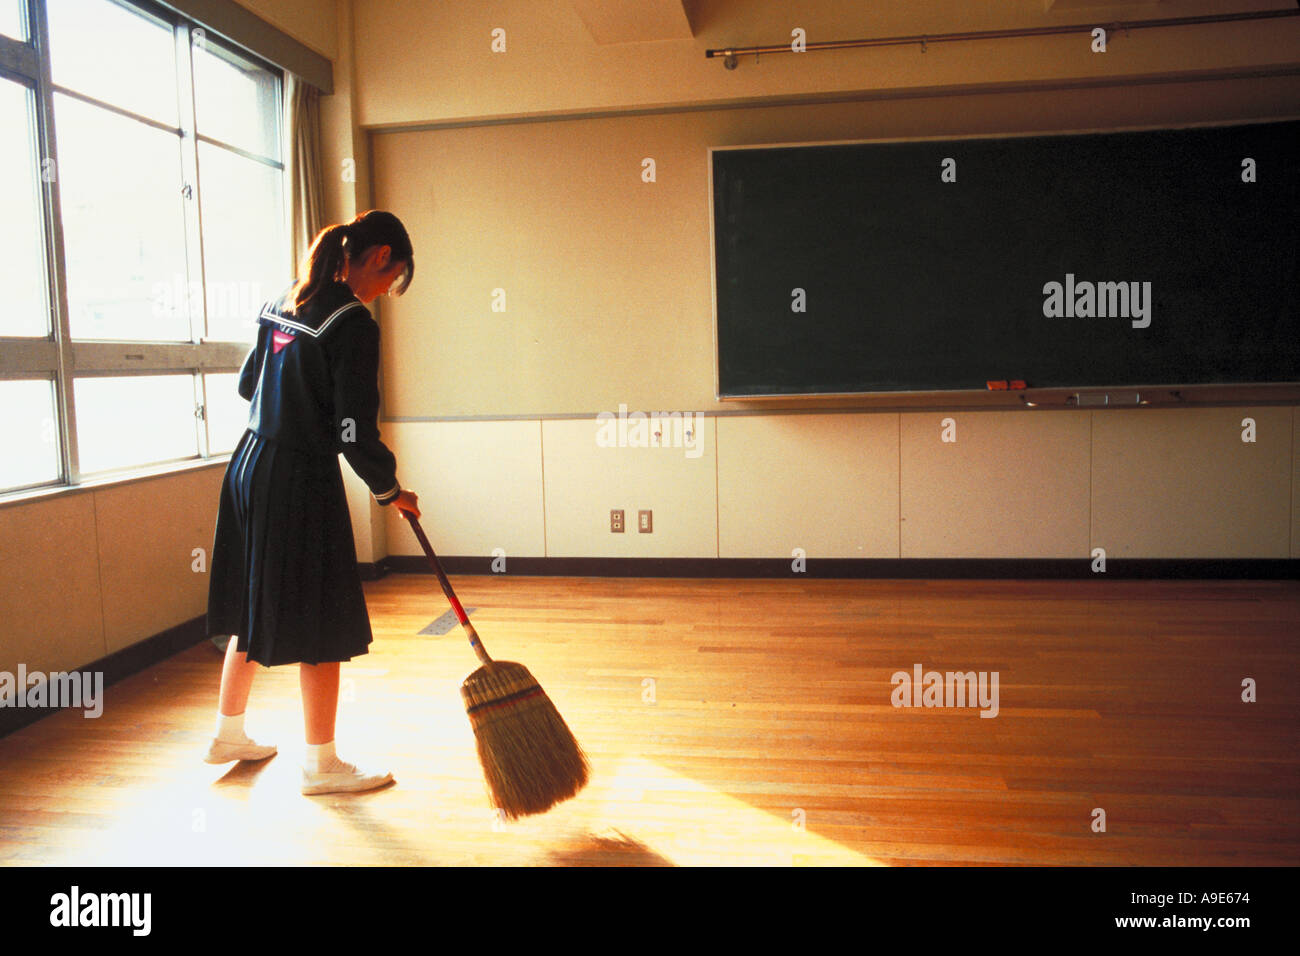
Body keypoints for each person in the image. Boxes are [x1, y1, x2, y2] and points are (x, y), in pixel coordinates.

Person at [203, 210, 421, 795]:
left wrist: (293, 401)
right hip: (298, 476)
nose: (384, 294)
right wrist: (390, 490)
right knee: (324, 618)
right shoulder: (352, 323)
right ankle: (321, 765)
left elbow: (249, 386)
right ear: (379, 258)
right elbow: (353, 431)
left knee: (254, 602)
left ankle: (228, 732)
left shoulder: (286, 300)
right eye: (392, 279)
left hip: (248, 464)